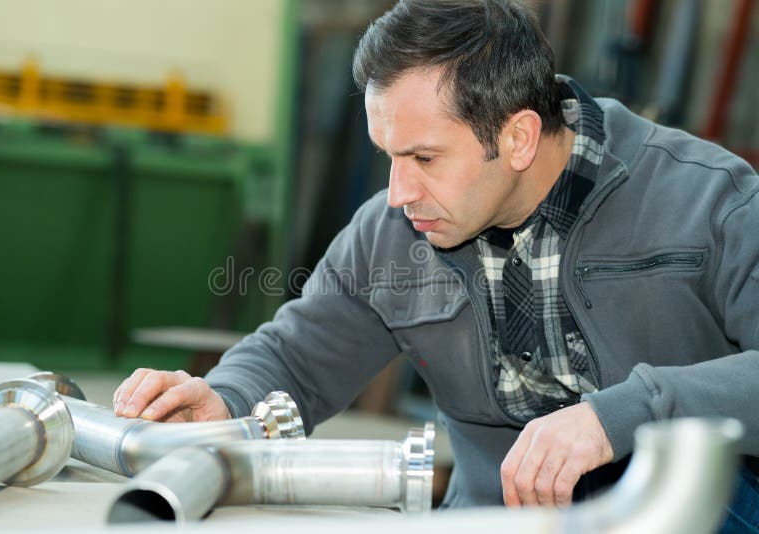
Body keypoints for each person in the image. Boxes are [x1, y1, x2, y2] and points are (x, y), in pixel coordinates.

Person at [112, 0, 759, 528]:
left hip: (694, 512)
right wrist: (224, 401)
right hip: (491, 521)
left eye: (423, 158)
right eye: (387, 156)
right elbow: (295, 358)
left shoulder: (706, 200)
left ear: (518, 137)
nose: (398, 193)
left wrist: (627, 414)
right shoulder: (392, 231)